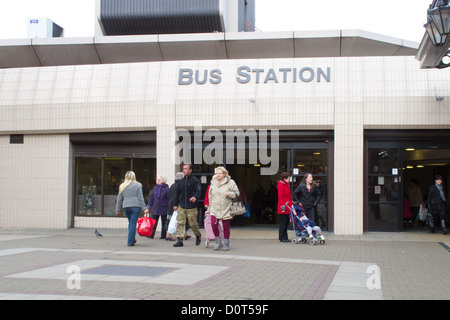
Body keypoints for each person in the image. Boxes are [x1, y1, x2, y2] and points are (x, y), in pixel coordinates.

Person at [208, 166, 239, 251]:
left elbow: (237, 193)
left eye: (220, 173)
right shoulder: (213, 182)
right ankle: (218, 242)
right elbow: (210, 195)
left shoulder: (230, 182)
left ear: (224, 174)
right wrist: (209, 207)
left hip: (226, 208)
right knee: (213, 224)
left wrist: (229, 194)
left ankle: (226, 243)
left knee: (226, 227)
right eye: (217, 173)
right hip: (214, 208)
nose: (218, 175)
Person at [115, 171, 148, 246]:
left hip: (126, 206)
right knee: (133, 223)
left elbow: (119, 198)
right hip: (135, 206)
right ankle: (130, 241)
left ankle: (132, 239)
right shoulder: (138, 185)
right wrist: (144, 208)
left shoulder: (122, 186)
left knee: (131, 223)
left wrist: (118, 209)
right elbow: (140, 198)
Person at [173, 164, 202, 247]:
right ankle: (180, 240)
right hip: (182, 206)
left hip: (192, 206)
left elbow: (198, 191)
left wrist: (195, 197)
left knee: (192, 224)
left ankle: (198, 235)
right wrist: (175, 204)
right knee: (180, 222)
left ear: (190, 170)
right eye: (183, 169)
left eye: (186, 169)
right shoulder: (181, 181)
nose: (184, 170)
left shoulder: (194, 180)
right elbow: (177, 194)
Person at [166, 172, 184, 241]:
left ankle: (184, 234)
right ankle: (169, 235)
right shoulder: (181, 186)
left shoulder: (173, 185)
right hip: (177, 205)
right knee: (176, 221)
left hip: (171, 204)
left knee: (172, 220)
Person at [277, 172, 292, 243]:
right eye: (289, 178)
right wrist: (283, 207)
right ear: (285, 178)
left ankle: (285, 237)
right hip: (284, 207)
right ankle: (281, 237)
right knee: (283, 223)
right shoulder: (281, 185)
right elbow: (281, 198)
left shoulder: (286, 185)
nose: (290, 179)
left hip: (288, 207)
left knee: (286, 223)